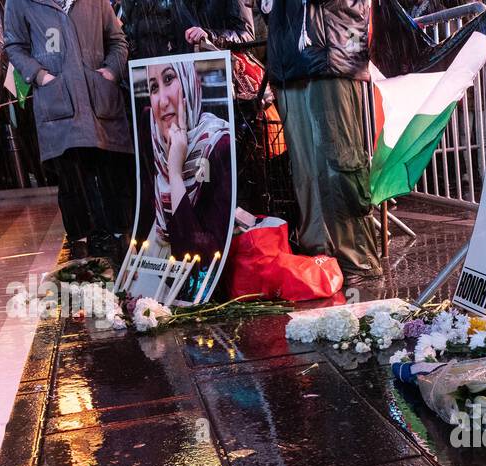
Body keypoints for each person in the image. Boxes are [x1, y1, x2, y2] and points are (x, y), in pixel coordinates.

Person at [260, 0, 382, 279]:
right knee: (306, 170)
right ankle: (319, 252)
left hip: (332, 56)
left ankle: (355, 259)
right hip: (291, 61)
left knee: (338, 162)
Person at [4, 0, 134, 260]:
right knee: (72, 178)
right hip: (58, 103)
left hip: (100, 99)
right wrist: (41, 76)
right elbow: (14, 46)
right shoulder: (19, 2)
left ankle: (120, 242)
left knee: (112, 174)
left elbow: (117, 39)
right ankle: (82, 247)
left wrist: (110, 71)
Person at [141, 58, 233, 264]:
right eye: (154, 87)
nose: (162, 101)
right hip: (156, 271)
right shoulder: (153, 138)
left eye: (169, 78)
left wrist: (174, 172)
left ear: (190, 81)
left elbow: (198, 255)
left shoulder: (217, 144)